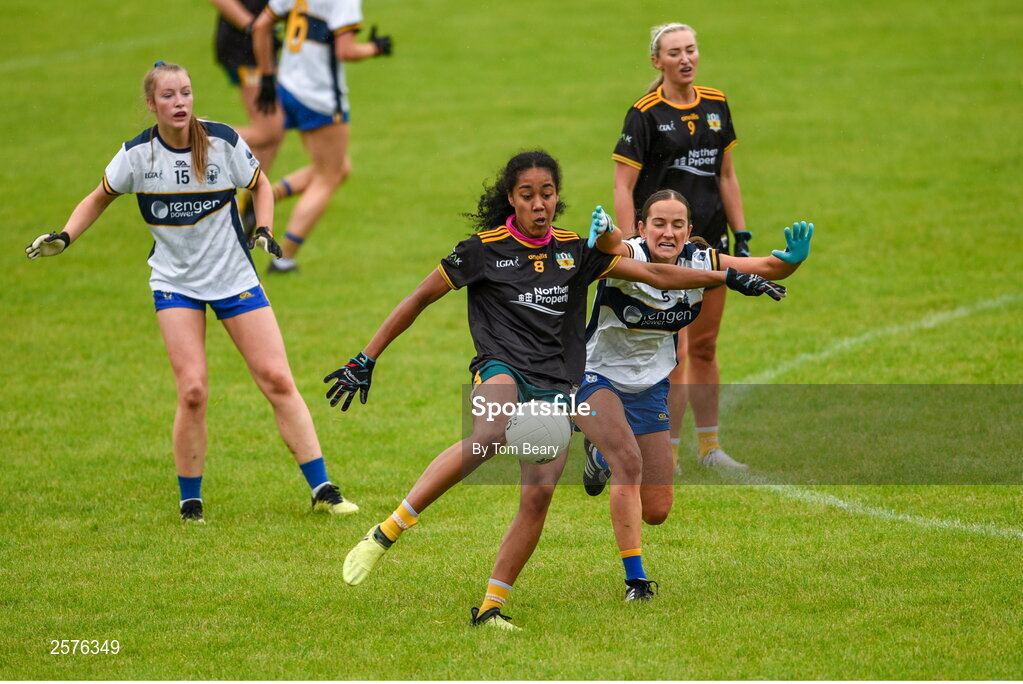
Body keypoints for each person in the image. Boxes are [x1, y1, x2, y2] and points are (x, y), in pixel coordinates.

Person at [322, 150, 785, 630]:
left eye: (546, 194)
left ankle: (490, 609)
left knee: (538, 495)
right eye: (527, 195)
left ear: (557, 197)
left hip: (556, 386)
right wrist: (366, 357)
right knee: (489, 434)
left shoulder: (575, 251)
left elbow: (653, 273)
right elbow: (419, 298)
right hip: (500, 367)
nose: (539, 204)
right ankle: (387, 532)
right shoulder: (483, 249)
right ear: (511, 198)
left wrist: (728, 277)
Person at [24, 62, 358, 523]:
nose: (179, 102)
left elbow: (260, 185)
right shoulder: (137, 156)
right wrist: (65, 236)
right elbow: (98, 197)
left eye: (185, 92)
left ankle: (323, 489)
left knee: (277, 379)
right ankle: (190, 502)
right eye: (168, 96)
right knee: (194, 390)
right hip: (175, 283)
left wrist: (263, 229)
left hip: (234, 278)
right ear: (151, 104)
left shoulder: (222, 141)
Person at [580, 191, 813, 600]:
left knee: (657, 510)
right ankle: (636, 581)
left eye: (677, 225)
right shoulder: (627, 254)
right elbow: (616, 248)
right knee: (628, 463)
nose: (667, 233)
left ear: (689, 231)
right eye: (658, 223)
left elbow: (768, 267)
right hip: (596, 376)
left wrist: (792, 261)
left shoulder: (701, 259)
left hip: (651, 385)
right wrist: (605, 233)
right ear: (642, 227)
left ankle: (599, 457)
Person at [612, 22, 752, 470]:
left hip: (710, 243)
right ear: (657, 61)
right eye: (674, 53)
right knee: (674, 352)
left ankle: (710, 448)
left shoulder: (716, 103)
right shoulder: (645, 113)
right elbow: (623, 185)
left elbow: (726, 175)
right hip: (665, 252)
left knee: (706, 347)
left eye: (690, 50)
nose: (685, 59)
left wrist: (741, 233)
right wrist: (631, 244)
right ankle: (666, 453)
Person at [250, 0, 393, 273]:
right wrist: (375, 48)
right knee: (330, 175)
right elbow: (346, 50)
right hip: (319, 96)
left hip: (287, 85)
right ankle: (284, 260)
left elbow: (261, 26)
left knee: (337, 167)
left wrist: (266, 76)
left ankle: (265, 198)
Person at [207, 0, 285, 173]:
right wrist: (251, 26)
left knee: (274, 133)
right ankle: (194, 141)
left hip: (264, 45)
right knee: (269, 132)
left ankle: (254, 190)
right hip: (243, 48)